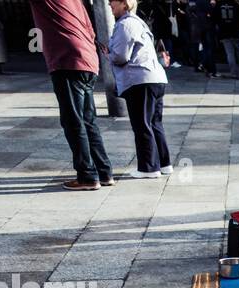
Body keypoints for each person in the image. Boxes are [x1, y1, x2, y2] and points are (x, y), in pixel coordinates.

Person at [29, 0, 115, 190]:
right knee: (88, 120)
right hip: (88, 59)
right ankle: (104, 172)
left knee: (73, 120)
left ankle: (87, 176)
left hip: (67, 59)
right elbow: (91, 29)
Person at [108, 0, 172, 179]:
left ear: (124, 3)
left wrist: (108, 54)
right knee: (155, 123)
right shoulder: (138, 22)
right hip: (155, 78)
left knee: (142, 124)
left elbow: (121, 56)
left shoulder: (125, 24)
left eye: (112, 1)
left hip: (139, 80)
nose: (109, 4)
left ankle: (148, 168)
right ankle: (164, 164)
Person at [214, 0, 239, 76]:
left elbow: (214, 18)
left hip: (224, 32)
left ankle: (234, 73)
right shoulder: (236, 5)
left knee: (230, 54)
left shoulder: (218, 5)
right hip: (235, 32)